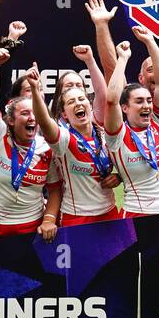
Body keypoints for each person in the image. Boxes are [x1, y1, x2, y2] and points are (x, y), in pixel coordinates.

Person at [0, 47, 60, 244]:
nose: (32, 118)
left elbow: (55, 189)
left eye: (35, 114)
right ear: (10, 120)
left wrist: (48, 219)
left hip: (31, 228)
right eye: (24, 114)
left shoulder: (46, 147)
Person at [31, 57, 120, 226]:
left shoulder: (104, 134)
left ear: (90, 105)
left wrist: (119, 177)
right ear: (64, 114)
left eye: (81, 99)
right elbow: (44, 121)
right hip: (77, 216)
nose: (78, 103)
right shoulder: (64, 138)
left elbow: (124, 163)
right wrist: (36, 91)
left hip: (110, 212)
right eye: (71, 102)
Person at [104, 38, 159, 217]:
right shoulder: (118, 135)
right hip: (137, 216)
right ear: (125, 108)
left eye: (149, 101)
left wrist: (150, 42)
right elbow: (112, 100)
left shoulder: (158, 123)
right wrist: (122, 58)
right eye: (139, 101)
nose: (146, 105)